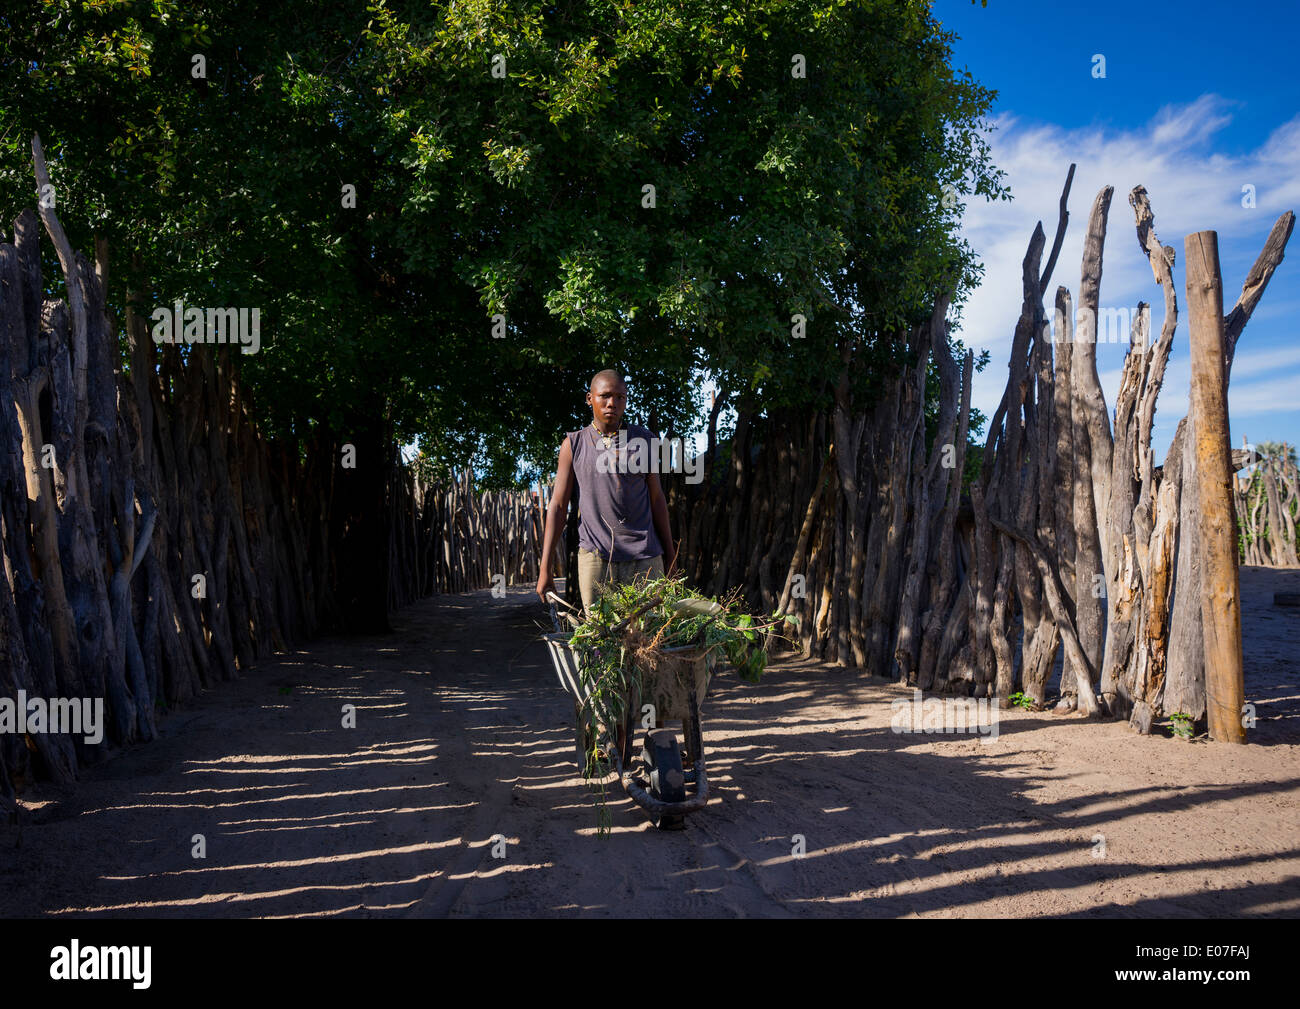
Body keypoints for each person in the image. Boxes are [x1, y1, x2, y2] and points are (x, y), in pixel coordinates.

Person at [535, 369, 678, 614]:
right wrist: (545, 567)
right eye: (605, 396)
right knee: (602, 642)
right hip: (596, 558)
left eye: (620, 397)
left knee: (647, 639)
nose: (612, 403)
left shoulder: (644, 441)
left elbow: (656, 500)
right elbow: (558, 506)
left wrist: (671, 558)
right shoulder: (574, 444)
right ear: (589, 398)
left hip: (645, 559)